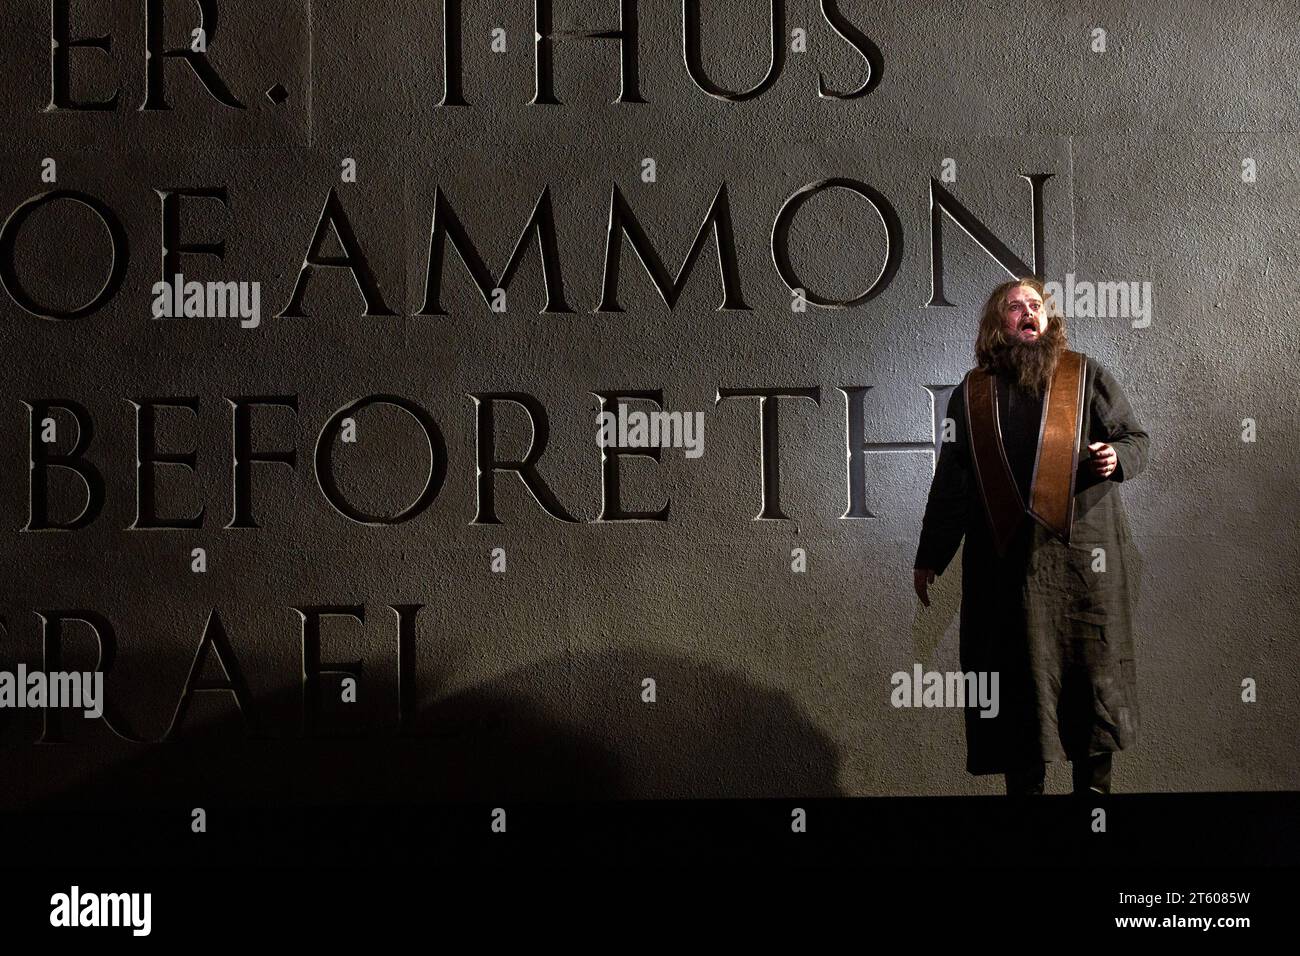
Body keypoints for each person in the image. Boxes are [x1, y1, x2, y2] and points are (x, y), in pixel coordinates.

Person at [912, 277, 1150, 796]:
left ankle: (1094, 809)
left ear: (1047, 317)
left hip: (1084, 569)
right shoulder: (971, 393)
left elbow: (1135, 439)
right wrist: (931, 554)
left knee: (1090, 685)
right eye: (1014, 307)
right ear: (998, 324)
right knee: (1019, 692)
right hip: (1006, 572)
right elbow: (952, 480)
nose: (1026, 313)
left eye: (1034, 305)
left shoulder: (1085, 374)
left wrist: (1116, 458)